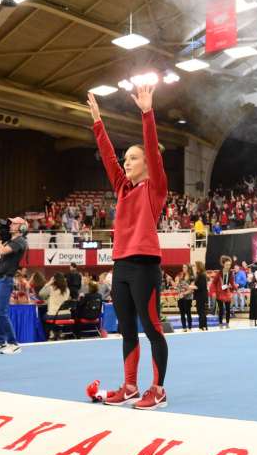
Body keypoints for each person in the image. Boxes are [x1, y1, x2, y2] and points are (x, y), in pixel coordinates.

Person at [88, 86, 170, 409]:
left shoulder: (155, 189)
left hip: (145, 266)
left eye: (133, 158)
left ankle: (158, 389)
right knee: (126, 331)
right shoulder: (122, 189)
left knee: (152, 328)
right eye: (126, 159)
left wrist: (147, 113)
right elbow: (108, 158)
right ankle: (131, 386)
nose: (126, 162)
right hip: (121, 266)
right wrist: (98, 122)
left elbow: (152, 149)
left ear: (148, 163)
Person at [0, 217, 28, 355]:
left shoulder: (20, 242)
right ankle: (0, 342)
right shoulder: (10, 241)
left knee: (1, 313)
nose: (11, 224)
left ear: (22, 227)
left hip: (4, 280)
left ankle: (13, 344)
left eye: (15, 223)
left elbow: (3, 251)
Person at [39, 273, 72, 339]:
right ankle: (57, 331)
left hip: (55, 315)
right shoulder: (67, 290)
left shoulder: (51, 289)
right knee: (52, 316)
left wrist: (48, 283)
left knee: (42, 316)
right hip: (67, 314)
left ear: (54, 280)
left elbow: (41, 294)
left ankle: (47, 335)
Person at [211, 255, 235, 328]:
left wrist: (235, 290)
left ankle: (227, 323)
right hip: (219, 293)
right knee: (221, 309)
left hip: (227, 293)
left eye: (229, 265)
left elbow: (232, 283)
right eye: (227, 264)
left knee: (228, 309)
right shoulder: (219, 273)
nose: (228, 266)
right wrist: (214, 292)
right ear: (223, 264)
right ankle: (220, 323)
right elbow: (214, 283)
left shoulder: (230, 273)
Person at [175, 264, 194, 330]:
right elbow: (177, 287)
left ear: (188, 268)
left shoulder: (192, 277)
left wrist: (184, 293)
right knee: (182, 313)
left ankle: (189, 327)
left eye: (185, 267)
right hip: (180, 297)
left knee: (188, 312)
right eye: (183, 267)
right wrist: (176, 283)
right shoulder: (180, 276)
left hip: (188, 297)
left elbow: (191, 289)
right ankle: (184, 327)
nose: (183, 268)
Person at [193, 259, 209, 331]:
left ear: (198, 266)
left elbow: (201, 287)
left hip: (201, 296)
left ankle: (201, 326)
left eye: (195, 266)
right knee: (201, 312)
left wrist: (192, 287)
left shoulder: (202, 275)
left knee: (201, 312)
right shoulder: (199, 275)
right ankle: (204, 326)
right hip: (200, 296)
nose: (194, 267)